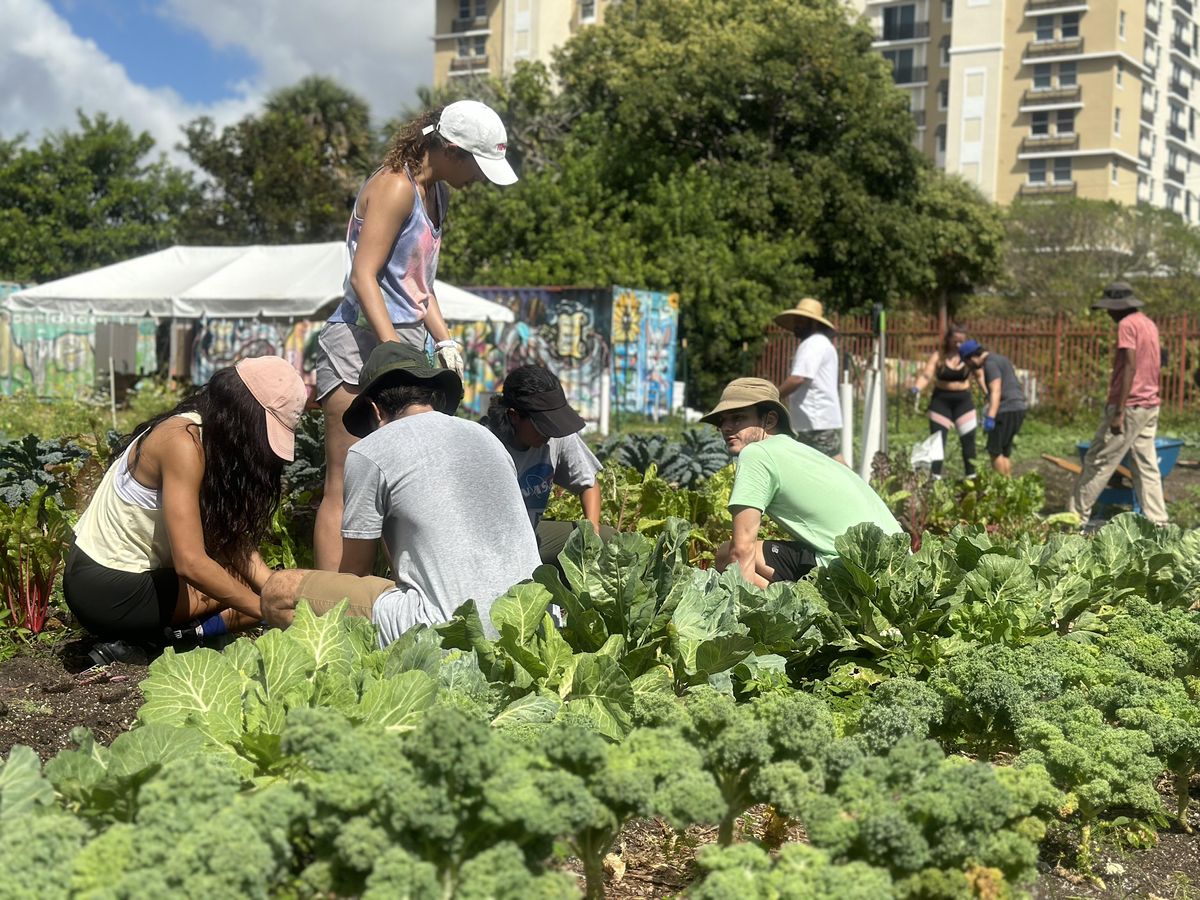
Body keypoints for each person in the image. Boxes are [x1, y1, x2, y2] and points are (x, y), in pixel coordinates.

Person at [313, 99, 518, 571]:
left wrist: (444, 340)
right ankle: (331, 600)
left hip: (405, 343)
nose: (481, 179)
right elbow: (365, 276)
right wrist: (395, 357)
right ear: (450, 148)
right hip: (360, 346)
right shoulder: (395, 187)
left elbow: (417, 283)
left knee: (402, 476)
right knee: (345, 481)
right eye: (479, 166)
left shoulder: (436, 193)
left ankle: (383, 596)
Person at [261, 344, 541, 644]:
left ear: (374, 410)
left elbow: (354, 573)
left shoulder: (371, 449)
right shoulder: (487, 437)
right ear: (431, 395)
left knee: (280, 591)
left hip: (447, 633)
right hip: (529, 627)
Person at [64, 357, 307, 665]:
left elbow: (232, 541)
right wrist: (268, 611)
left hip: (114, 578)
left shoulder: (208, 432)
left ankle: (162, 640)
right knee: (242, 591)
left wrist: (276, 590)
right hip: (106, 587)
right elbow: (191, 564)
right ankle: (167, 640)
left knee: (261, 590)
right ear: (246, 415)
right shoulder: (183, 442)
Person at [702, 378, 902, 587]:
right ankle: (788, 603)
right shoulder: (803, 452)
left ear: (769, 420)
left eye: (737, 418)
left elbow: (741, 549)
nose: (726, 427)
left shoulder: (756, 453)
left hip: (850, 572)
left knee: (727, 555)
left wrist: (737, 612)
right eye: (722, 422)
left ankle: (783, 610)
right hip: (895, 569)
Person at [479, 365, 614, 566]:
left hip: (531, 535)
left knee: (607, 539)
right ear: (514, 416)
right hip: (488, 545)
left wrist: (591, 535)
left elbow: (589, 485)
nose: (549, 433)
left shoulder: (556, 435)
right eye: (542, 426)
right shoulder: (484, 444)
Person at [1069, 282, 1168, 526]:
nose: (1109, 314)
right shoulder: (1148, 323)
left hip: (1130, 405)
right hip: (1149, 404)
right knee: (1146, 466)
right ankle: (1159, 523)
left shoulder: (1127, 324)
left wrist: (1119, 411)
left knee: (1099, 461)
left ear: (1118, 308)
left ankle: (1074, 520)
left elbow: (1130, 366)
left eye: (1109, 309)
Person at [773, 298, 844, 461]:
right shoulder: (819, 343)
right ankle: (860, 486)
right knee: (821, 464)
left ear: (812, 323)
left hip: (815, 418)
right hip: (813, 419)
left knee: (835, 465)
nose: (796, 324)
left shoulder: (813, 343)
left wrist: (772, 395)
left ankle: (862, 487)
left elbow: (798, 378)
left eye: (800, 320)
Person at [911, 324, 986, 478]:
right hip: (941, 402)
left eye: (961, 341)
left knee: (968, 443)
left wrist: (988, 394)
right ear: (949, 338)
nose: (958, 344)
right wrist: (916, 388)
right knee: (937, 443)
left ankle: (971, 480)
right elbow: (927, 375)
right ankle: (934, 482)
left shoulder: (968, 355)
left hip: (963, 402)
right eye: (955, 340)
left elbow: (980, 376)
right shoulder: (939, 356)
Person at [957, 339, 1028, 477]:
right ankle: (1010, 487)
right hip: (1018, 407)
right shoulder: (1001, 359)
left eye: (967, 362)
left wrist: (990, 417)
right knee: (1004, 452)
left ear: (972, 357)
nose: (968, 366)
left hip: (1005, 409)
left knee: (994, 452)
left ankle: (1002, 489)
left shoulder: (989, 364)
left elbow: (996, 390)